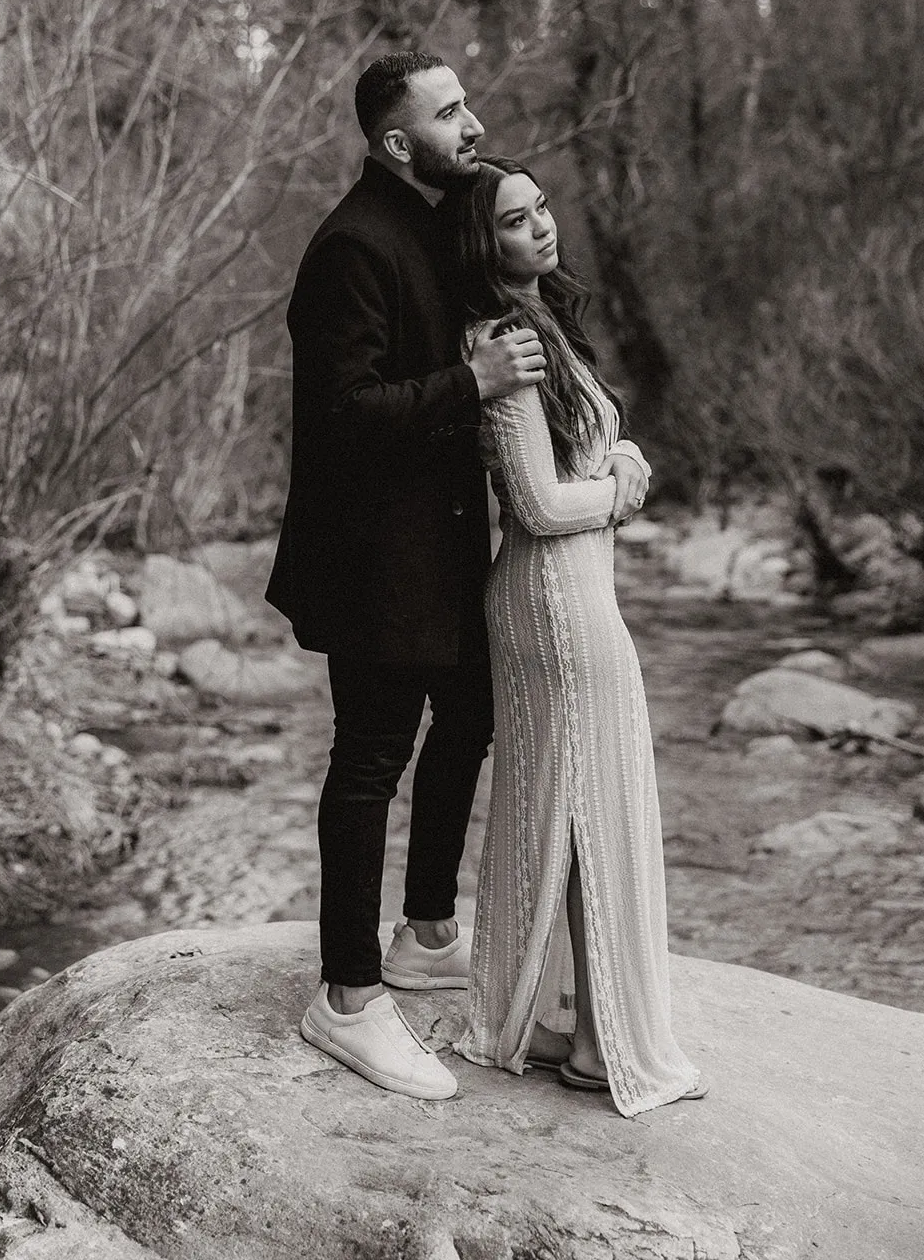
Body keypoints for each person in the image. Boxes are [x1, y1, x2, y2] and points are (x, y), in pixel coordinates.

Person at [266, 56, 648, 1102]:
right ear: (396, 142)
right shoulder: (352, 246)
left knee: (471, 714)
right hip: (368, 560)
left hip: (439, 554)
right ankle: (346, 996)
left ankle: (426, 928)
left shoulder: (432, 226)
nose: (470, 120)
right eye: (446, 113)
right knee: (369, 760)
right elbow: (339, 416)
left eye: (464, 102)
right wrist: (469, 380)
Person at [451, 155, 706, 1116]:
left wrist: (622, 457)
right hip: (554, 602)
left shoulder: (547, 324)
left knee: (580, 801)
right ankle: (598, 1040)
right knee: (587, 803)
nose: (541, 227)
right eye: (516, 220)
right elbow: (539, 504)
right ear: (486, 244)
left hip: (570, 590)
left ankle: (575, 1021)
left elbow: (587, 452)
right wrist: (619, 490)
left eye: (542, 206)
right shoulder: (501, 339)